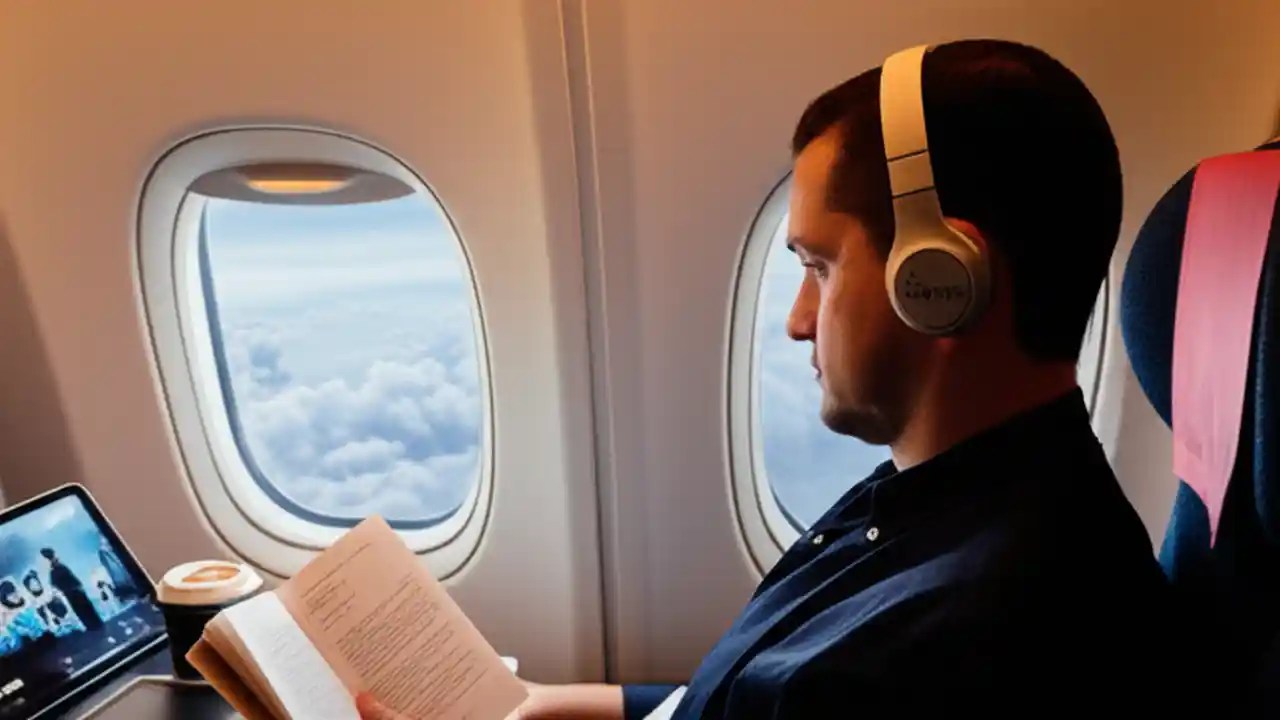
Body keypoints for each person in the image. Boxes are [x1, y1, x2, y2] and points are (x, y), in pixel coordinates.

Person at [358, 38, 1186, 719]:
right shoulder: (943, 496)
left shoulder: (968, 639)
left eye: (819, 267)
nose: (797, 319)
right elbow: (757, 687)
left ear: (939, 280)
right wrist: (536, 705)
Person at [41, 547, 103, 631]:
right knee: (84, 609)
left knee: (83, 610)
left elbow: (55, 583)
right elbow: (63, 580)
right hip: (73, 592)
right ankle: (94, 625)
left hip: (71, 592)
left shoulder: (56, 568)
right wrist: (76, 586)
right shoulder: (56, 568)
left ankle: (93, 625)